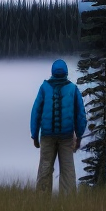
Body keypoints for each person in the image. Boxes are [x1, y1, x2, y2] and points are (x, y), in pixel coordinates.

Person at [30, 58, 87, 194]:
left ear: (52, 72)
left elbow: (36, 112)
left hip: (47, 137)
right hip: (66, 138)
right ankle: (67, 206)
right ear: (66, 72)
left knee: (45, 170)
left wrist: (35, 136)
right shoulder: (72, 89)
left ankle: (42, 204)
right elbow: (80, 115)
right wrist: (79, 137)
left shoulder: (44, 88)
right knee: (68, 172)